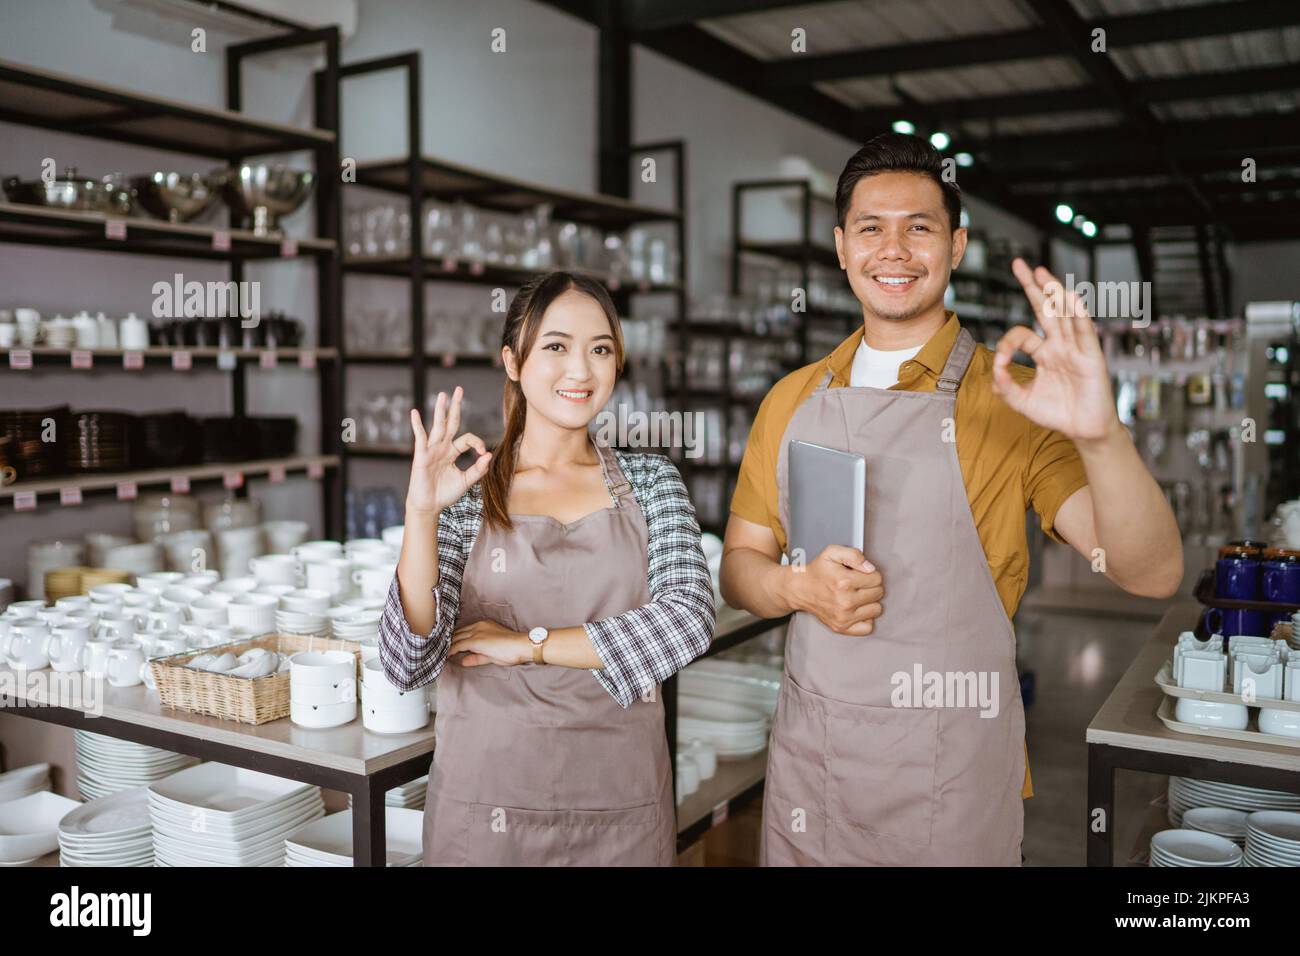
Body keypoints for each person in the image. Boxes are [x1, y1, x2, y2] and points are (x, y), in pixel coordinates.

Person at [719, 132, 1183, 866]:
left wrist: (1101, 435)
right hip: (815, 767)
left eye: (921, 228)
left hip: (947, 780)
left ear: (957, 245)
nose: (894, 249)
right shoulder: (792, 400)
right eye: (872, 228)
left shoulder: (1011, 400)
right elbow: (740, 563)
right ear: (842, 247)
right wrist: (791, 586)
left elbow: (1150, 573)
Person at [377, 270, 714, 866]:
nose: (580, 371)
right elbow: (409, 661)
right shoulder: (470, 491)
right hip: (487, 811)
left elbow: (687, 620)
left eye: (600, 349)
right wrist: (422, 511)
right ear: (513, 360)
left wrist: (528, 645)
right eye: (556, 346)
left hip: (622, 811)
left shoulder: (653, 481)